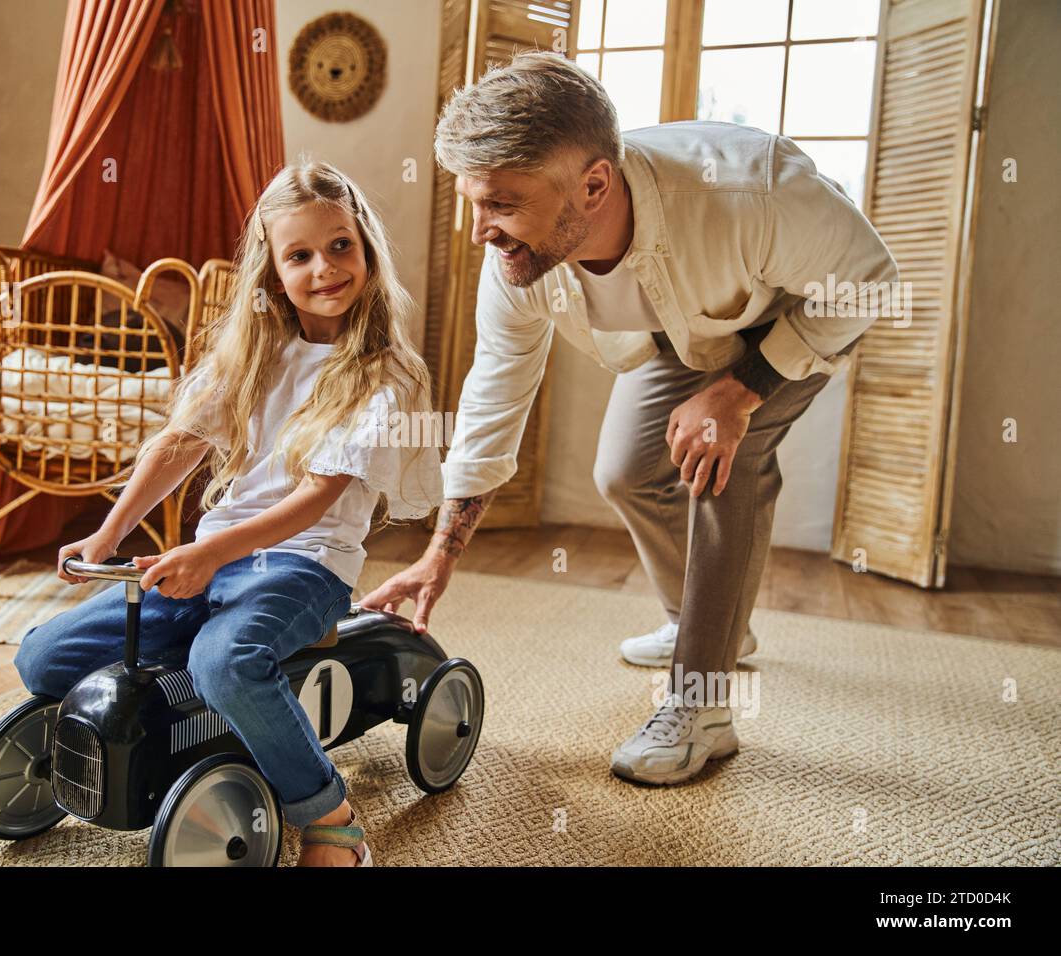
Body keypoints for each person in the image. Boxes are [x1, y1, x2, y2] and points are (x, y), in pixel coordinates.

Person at [361, 51, 898, 785]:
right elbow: (496, 391)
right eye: (473, 200)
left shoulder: (748, 188)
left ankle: (701, 705)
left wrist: (742, 390)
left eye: (503, 204)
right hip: (686, 328)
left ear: (593, 184)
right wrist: (441, 552)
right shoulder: (517, 258)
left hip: (795, 318)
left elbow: (871, 283)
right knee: (623, 472)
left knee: (719, 460)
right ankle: (711, 624)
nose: (480, 228)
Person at [14, 161, 443, 865]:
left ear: (365, 249)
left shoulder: (386, 374)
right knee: (43, 656)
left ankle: (332, 817)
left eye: (340, 246)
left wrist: (210, 555)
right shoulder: (255, 351)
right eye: (299, 254)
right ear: (274, 272)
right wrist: (109, 531)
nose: (325, 268)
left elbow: (317, 498)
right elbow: (179, 444)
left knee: (226, 661)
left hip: (306, 568)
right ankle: (195, 706)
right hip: (216, 561)